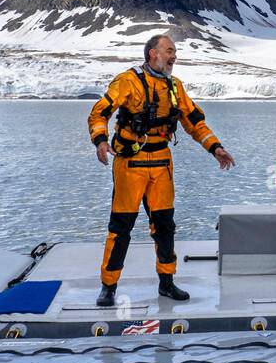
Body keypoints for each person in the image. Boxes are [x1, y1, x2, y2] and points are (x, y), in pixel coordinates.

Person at [87, 34, 236, 306]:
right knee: (121, 227)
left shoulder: (175, 87)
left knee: (165, 226)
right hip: (130, 164)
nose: (174, 56)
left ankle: (167, 283)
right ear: (152, 53)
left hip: (161, 164)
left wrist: (215, 148)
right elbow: (100, 113)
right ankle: (108, 287)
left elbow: (194, 122)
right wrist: (100, 140)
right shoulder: (127, 81)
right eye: (169, 51)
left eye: (174, 52)